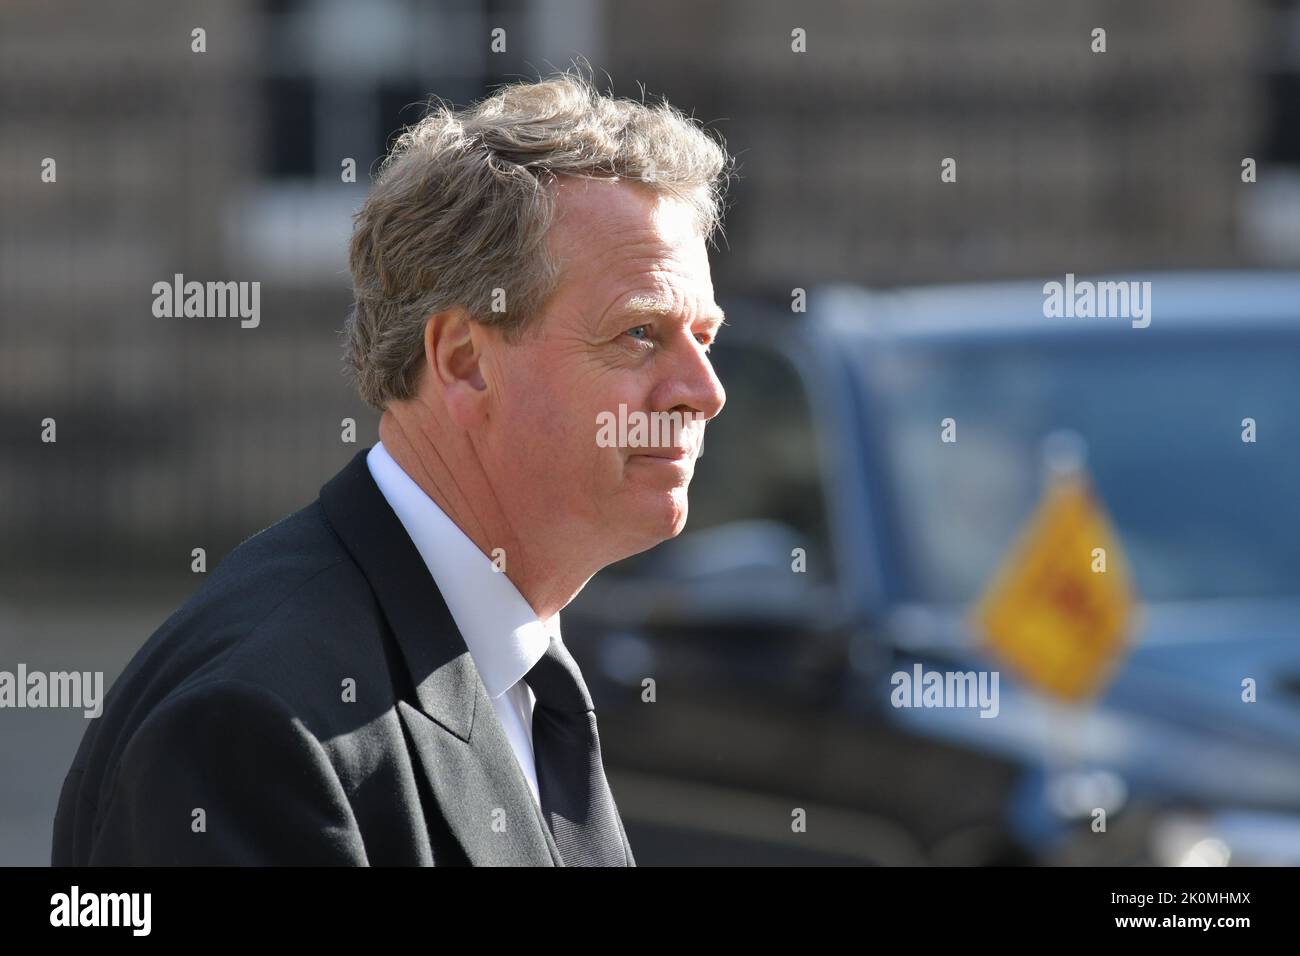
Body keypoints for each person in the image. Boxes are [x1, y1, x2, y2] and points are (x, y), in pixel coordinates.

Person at [51, 69, 732, 866]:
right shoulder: (256, 724)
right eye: (640, 333)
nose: (705, 392)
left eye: (705, 337)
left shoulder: (518, 664)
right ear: (464, 362)